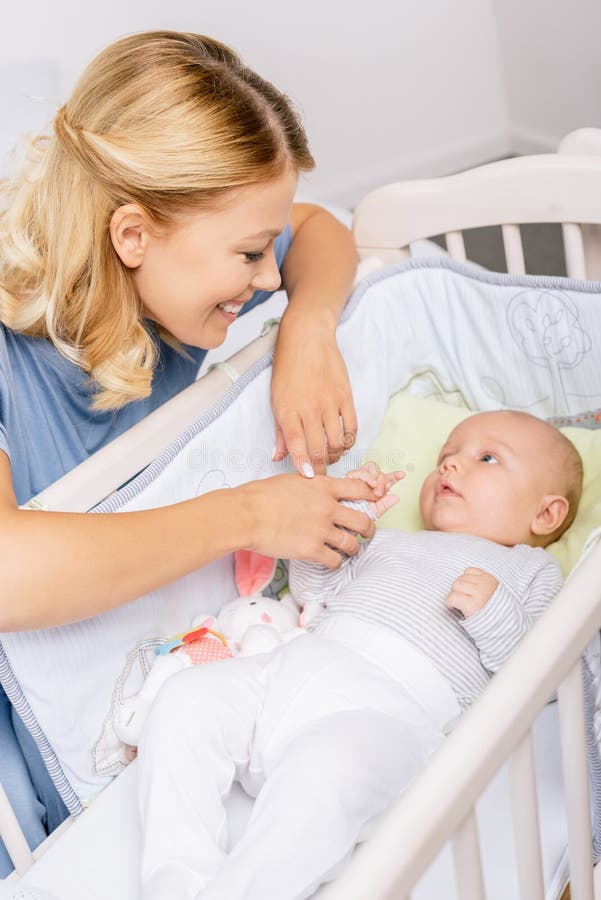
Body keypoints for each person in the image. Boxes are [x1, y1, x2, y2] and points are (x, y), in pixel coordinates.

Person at [0, 31, 382, 874]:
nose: (268, 278)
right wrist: (247, 513)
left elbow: (321, 230)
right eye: (249, 256)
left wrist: (306, 334)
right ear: (131, 234)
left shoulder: (162, 283)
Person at [137, 410, 583, 900]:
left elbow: (541, 675)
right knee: (184, 701)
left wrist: (494, 611)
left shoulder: (530, 572)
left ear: (546, 515)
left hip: (388, 715)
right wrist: (345, 531)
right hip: (292, 669)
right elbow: (310, 588)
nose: (450, 466)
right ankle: (174, 878)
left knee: (326, 777)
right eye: (446, 456)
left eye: (486, 457)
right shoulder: (390, 540)